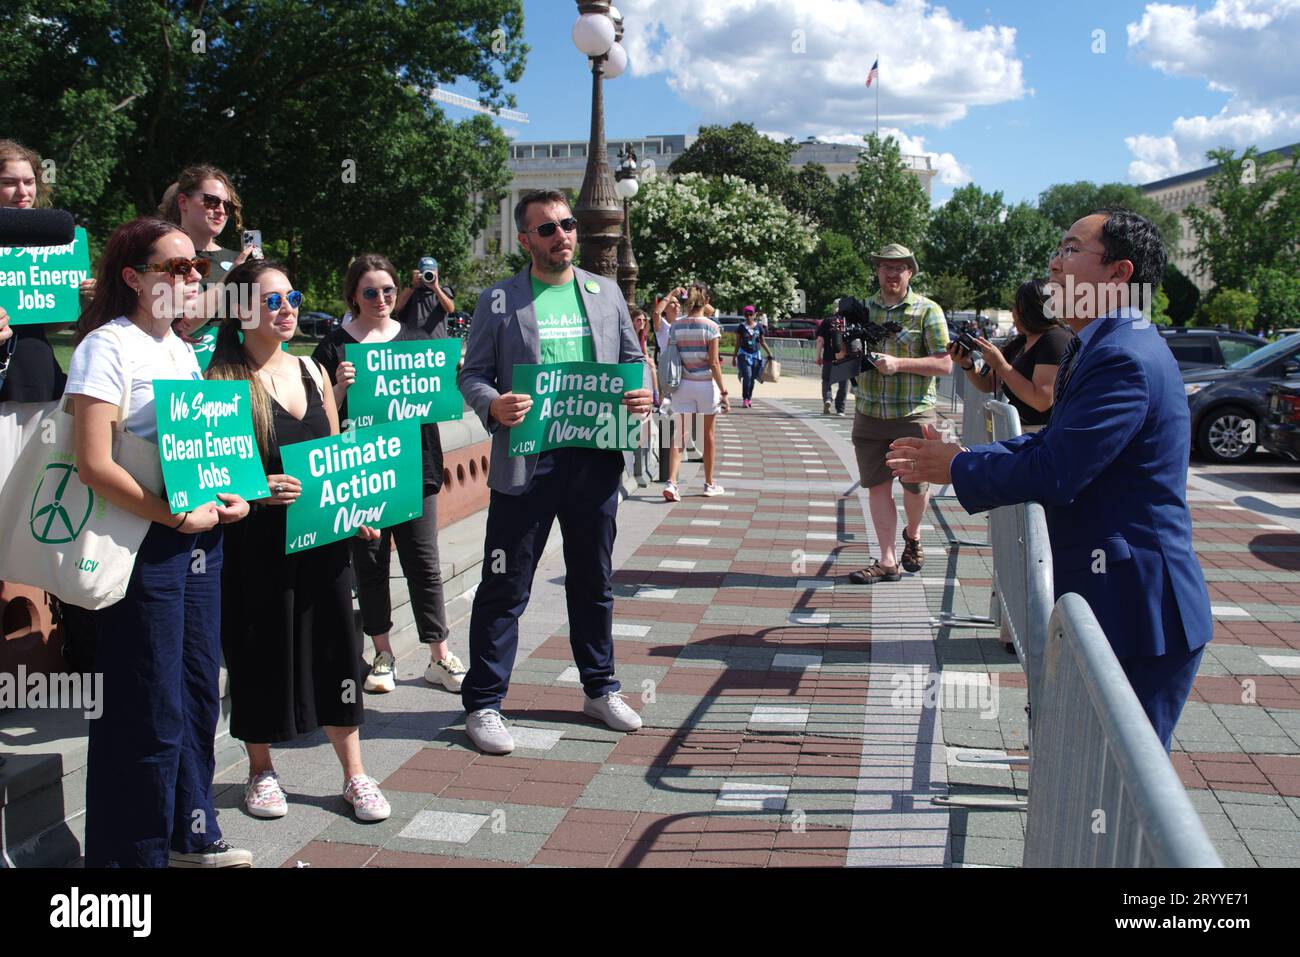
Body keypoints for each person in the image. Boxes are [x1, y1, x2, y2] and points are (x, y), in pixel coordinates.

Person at [886, 208, 1213, 750]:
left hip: (1139, 610)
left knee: (1119, 779)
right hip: (1115, 596)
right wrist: (967, 454)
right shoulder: (1102, 343)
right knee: (1092, 768)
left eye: (1069, 251)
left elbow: (1060, 471)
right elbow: (1051, 442)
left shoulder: (1122, 356)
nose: (1053, 267)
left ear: (1118, 273)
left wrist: (960, 466)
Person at [67, 217, 251, 867]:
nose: (193, 277)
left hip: (199, 548)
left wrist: (229, 492)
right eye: (176, 267)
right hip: (143, 551)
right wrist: (172, 517)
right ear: (132, 277)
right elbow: (94, 462)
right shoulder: (106, 348)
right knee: (144, 710)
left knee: (198, 694)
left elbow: (196, 446)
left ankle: (188, 831)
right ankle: (126, 863)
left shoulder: (177, 348)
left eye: (197, 266)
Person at [459, 188, 652, 754]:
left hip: (594, 454)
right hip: (528, 460)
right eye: (547, 228)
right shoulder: (499, 300)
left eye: (567, 224)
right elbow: (472, 374)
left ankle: (600, 688)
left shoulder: (605, 292)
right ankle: (485, 702)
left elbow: (631, 360)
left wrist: (638, 392)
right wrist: (492, 405)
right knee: (505, 584)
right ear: (525, 239)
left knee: (593, 581)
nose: (562, 235)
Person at [209, 259, 392, 823]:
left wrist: (355, 504)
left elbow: (336, 453)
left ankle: (355, 774)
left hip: (321, 540)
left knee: (340, 645)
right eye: (272, 301)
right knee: (258, 650)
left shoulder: (314, 371)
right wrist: (256, 488)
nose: (287, 309)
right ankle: (261, 769)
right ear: (240, 309)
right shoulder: (219, 381)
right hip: (255, 546)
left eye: (292, 296)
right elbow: (207, 471)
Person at [312, 254, 463, 696]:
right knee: (371, 564)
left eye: (388, 291)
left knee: (424, 562)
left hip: (416, 465)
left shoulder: (416, 339)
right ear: (353, 296)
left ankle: (439, 654)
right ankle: (383, 653)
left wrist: (442, 380)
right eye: (370, 292)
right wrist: (339, 387)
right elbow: (318, 419)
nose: (381, 299)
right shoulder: (334, 347)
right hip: (361, 470)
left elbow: (436, 402)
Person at [847, 243, 951, 584]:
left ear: (911, 272)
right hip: (869, 412)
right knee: (877, 486)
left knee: (914, 486)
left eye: (900, 267)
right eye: (885, 267)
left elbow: (944, 363)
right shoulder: (862, 310)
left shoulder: (927, 311)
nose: (892, 273)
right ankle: (887, 560)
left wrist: (899, 364)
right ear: (877, 271)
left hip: (912, 412)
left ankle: (914, 533)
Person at [0, 140, 88, 489]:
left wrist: (79, 303)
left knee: (32, 494)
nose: (23, 191)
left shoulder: (54, 243)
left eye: (30, 181)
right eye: (9, 181)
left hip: (39, 379)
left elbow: (43, 324)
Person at [950, 279, 1073, 433]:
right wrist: (967, 364)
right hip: (1017, 433)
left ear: (1032, 310)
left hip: (1042, 436)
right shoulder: (1020, 343)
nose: (1012, 312)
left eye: (1017, 306)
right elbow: (988, 385)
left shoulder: (1055, 340)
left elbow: (1041, 401)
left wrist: (1001, 366)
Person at [662, 281, 730, 501]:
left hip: (682, 384)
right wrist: (724, 391)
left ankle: (672, 483)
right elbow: (714, 363)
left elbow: (673, 355)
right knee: (708, 436)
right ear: (707, 301)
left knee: (680, 435)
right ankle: (709, 483)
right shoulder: (711, 327)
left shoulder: (677, 325)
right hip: (705, 386)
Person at [395, 259, 455, 336]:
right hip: (414, 343)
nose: (428, 275)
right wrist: (413, 286)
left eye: (431, 272)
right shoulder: (411, 291)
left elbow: (450, 309)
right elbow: (397, 307)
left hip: (437, 344)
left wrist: (435, 288)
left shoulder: (443, 290)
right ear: (419, 273)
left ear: (436, 272)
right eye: (424, 272)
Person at [733, 304, 774, 408]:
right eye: (746, 314)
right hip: (744, 355)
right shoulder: (741, 327)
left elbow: (762, 341)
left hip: (756, 355)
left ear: (755, 314)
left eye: (750, 314)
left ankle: (749, 397)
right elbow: (737, 343)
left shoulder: (759, 327)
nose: (748, 316)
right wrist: (734, 357)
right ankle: (745, 399)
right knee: (747, 376)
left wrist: (770, 353)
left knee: (752, 378)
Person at [816, 305, 848, 416]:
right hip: (844, 357)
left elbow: (820, 340)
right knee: (843, 383)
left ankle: (828, 399)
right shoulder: (847, 321)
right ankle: (840, 409)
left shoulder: (827, 321)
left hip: (828, 356)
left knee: (826, 380)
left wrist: (818, 356)